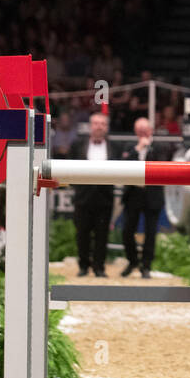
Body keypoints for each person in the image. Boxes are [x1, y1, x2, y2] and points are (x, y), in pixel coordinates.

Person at [119, 117, 168, 278]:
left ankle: (146, 266)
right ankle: (132, 261)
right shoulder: (130, 147)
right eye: (139, 131)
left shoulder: (160, 146)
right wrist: (138, 150)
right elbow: (124, 166)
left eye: (144, 130)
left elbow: (162, 167)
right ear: (135, 132)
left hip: (152, 195)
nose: (142, 133)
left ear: (151, 131)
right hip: (133, 194)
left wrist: (148, 149)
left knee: (150, 232)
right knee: (127, 231)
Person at [70, 112, 114, 277]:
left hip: (105, 199)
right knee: (82, 234)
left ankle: (99, 267)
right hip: (83, 197)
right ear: (90, 126)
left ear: (106, 127)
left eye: (102, 123)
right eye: (96, 123)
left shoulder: (113, 147)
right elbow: (69, 167)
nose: (99, 126)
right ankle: (83, 266)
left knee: (102, 235)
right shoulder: (77, 145)